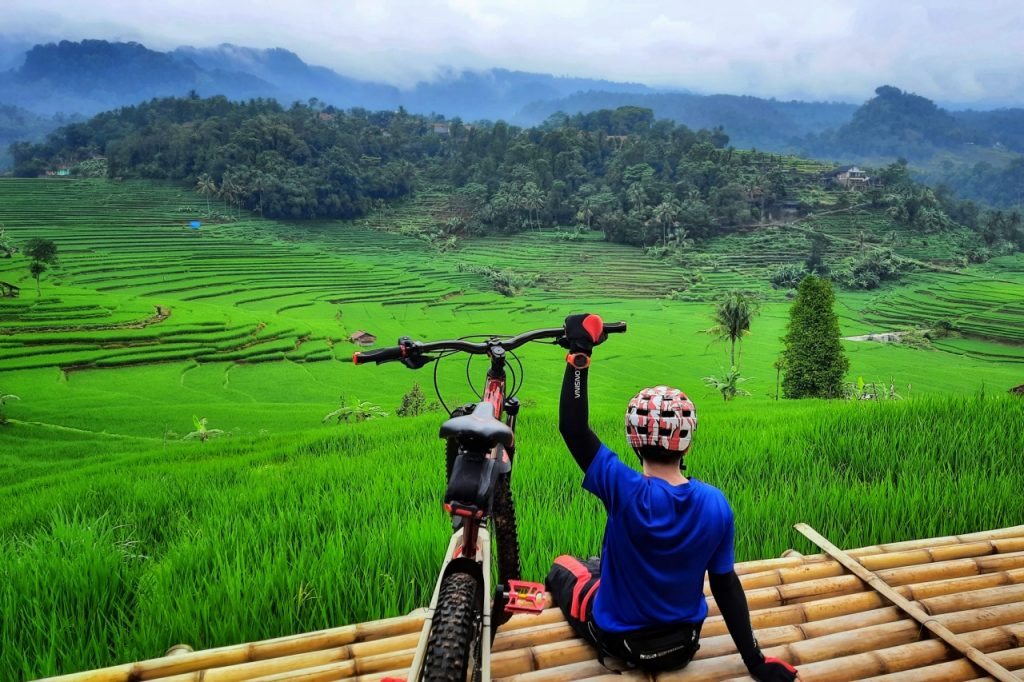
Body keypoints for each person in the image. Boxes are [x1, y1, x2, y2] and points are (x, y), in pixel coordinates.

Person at [544, 313, 798, 679]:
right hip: (683, 645)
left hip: (621, 642)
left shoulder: (624, 489)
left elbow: (573, 428)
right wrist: (756, 662)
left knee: (565, 566)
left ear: (633, 441)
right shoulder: (715, 503)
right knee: (604, 565)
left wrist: (579, 353)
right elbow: (726, 585)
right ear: (687, 442)